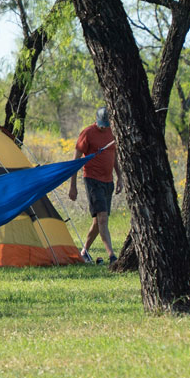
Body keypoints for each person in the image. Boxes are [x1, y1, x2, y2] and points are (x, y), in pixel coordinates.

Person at [68, 106, 123, 264]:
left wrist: (120, 177)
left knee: (98, 223)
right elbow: (76, 161)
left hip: (108, 181)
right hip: (93, 181)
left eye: (106, 124)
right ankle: (112, 256)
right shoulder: (87, 133)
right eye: (101, 124)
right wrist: (73, 186)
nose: (104, 127)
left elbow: (114, 156)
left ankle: (84, 251)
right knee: (103, 219)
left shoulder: (113, 132)